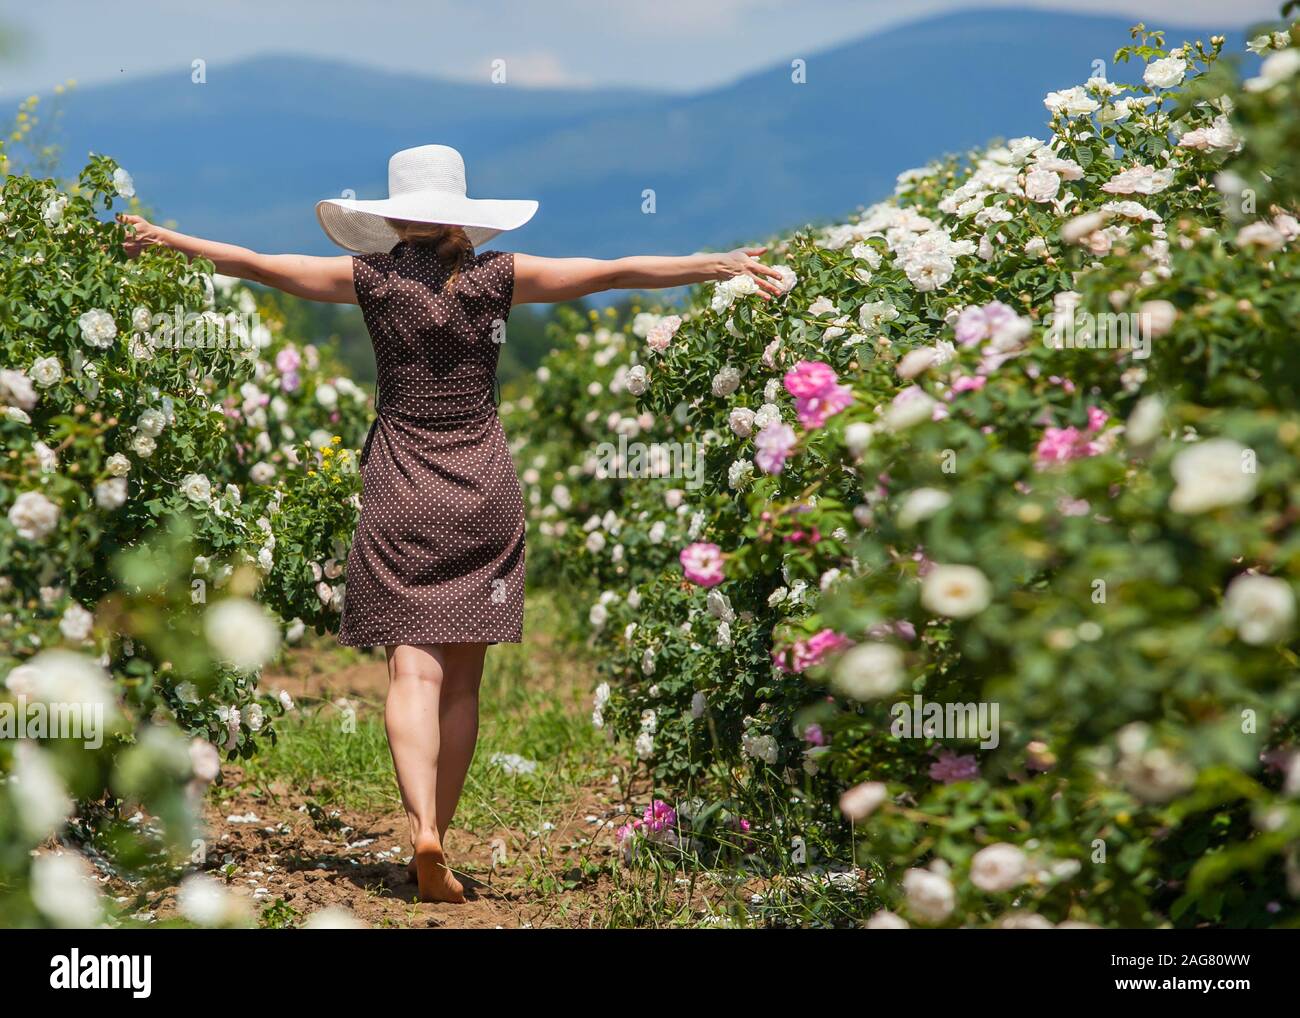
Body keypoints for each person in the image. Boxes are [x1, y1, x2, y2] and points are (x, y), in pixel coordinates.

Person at [121, 143, 783, 903]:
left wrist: (174, 241)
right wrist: (715, 264)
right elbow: (615, 269)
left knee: (412, 668)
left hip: (402, 483)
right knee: (463, 682)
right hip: (483, 486)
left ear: (396, 215)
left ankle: (422, 826)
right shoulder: (503, 277)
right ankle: (443, 835)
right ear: (464, 214)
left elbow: (260, 263)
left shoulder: (366, 280)